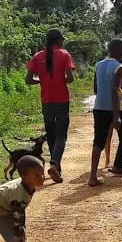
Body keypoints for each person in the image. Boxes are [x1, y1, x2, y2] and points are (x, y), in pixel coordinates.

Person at [25, 28, 75, 183]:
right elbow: (70, 78)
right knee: (61, 135)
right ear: (58, 40)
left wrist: (42, 81)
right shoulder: (64, 54)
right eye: (62, 39)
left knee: (52, 134)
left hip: (46, 100)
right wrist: (61, 81)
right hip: (62, 99)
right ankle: (54, 163)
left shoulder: (37, 56)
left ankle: (57, 169)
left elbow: (28, 80)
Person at [89, 40, 122, 186]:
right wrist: (116, 116)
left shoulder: (99, 65)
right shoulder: (119, 67)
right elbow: (115, 89)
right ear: (119, 50)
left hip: (99, 107)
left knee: (98, 142)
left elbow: (95, 88)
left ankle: (92, 177)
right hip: (114, 108)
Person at [104, 56, 122, 169]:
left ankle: (110, 161)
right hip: (120, 111)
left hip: (106, 110)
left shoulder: (110, 79)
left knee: (108, 137)